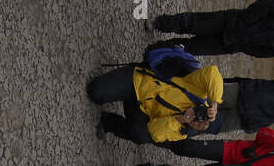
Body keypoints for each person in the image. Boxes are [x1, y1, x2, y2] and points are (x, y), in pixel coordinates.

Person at [88, 62, 223, 144]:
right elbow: (213, 73)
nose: (195, 121)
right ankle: (118, 90)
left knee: (141, 135)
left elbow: (154, 132)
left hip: (141, 111)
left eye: (198, 126)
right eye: (200, 118)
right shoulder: (198, 92)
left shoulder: (182, 131)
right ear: (204, 109)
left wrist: (179, 120)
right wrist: (215, 102)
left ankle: (108, 122)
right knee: (94, 92)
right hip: (138, 83)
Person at [149, 0, 274, 58]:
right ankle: (159, 23)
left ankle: (157, 50)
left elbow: (263, 53)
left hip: (232, 44)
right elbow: (264, 5)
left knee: (190, 48)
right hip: (232, 21)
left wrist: (245, 46)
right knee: (192, 23)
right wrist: (245, 21)